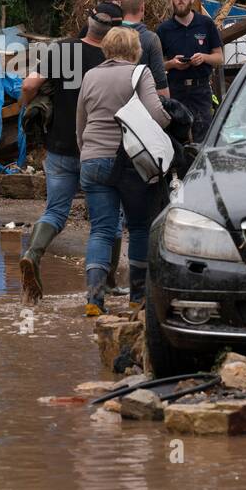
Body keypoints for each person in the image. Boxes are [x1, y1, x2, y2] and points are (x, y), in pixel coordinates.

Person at [17, 0, 120, 303]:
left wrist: (28, 106)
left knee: (55, 211)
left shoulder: (64, 49)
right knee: (107, 221)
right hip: (98, 147)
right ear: (115, 30)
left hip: (60, 144)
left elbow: (28, 84)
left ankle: (32, 253)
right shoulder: (111, 59)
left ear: (89, 22)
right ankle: (108, 283)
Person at [77, 26, 171, 315]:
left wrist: (87, 152)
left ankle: (94, 300)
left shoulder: (90, 75)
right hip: (129, 161)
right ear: (135, 49)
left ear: (106, 48)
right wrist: (173, 121)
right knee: (140, 226)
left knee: (101, 230)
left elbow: (81, 122)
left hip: (92, 159)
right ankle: (137, 297)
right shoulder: (139, 73)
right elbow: (157, 115)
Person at [156, 0, 224, 142]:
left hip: (200, 90)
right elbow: (157, 66)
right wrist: (172, 64)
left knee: (204, 137)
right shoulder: (163, 30)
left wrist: (204, 57)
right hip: (175, 91)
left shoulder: (205, 24)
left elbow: (219, 58)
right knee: (176, 139)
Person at [120, 0, 169, 97]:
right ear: (142, 8)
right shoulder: (151, 39)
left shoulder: (110, 37)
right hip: (142, 104)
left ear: (120, 7)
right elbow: (161, 85)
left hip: (115, 103)